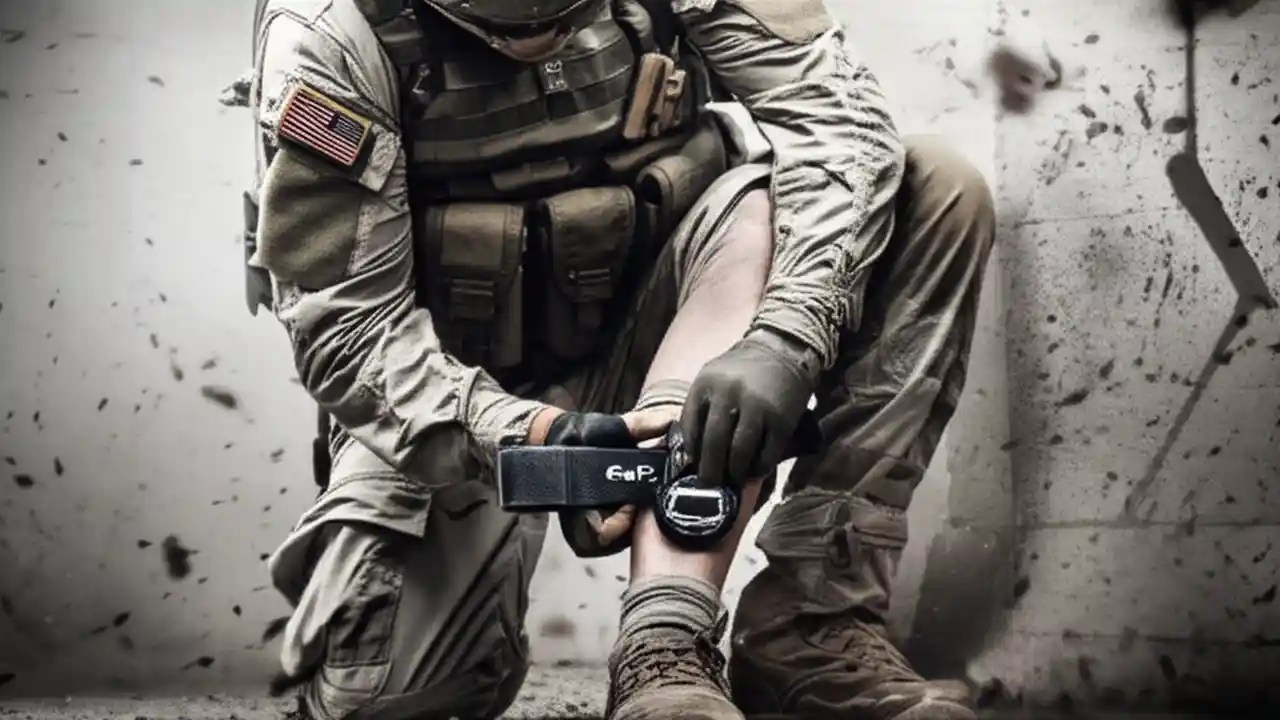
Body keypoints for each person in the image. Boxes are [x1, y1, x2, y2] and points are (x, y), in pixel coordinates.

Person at [242, 0, 996, 718]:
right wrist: (526, 437)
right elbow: (350, 327)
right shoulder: (332, 32)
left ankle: (741, 636)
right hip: (457, 387)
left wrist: (786, 337)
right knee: (388, 697)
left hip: (679, 313)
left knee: (934, 190)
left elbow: (840, 127)